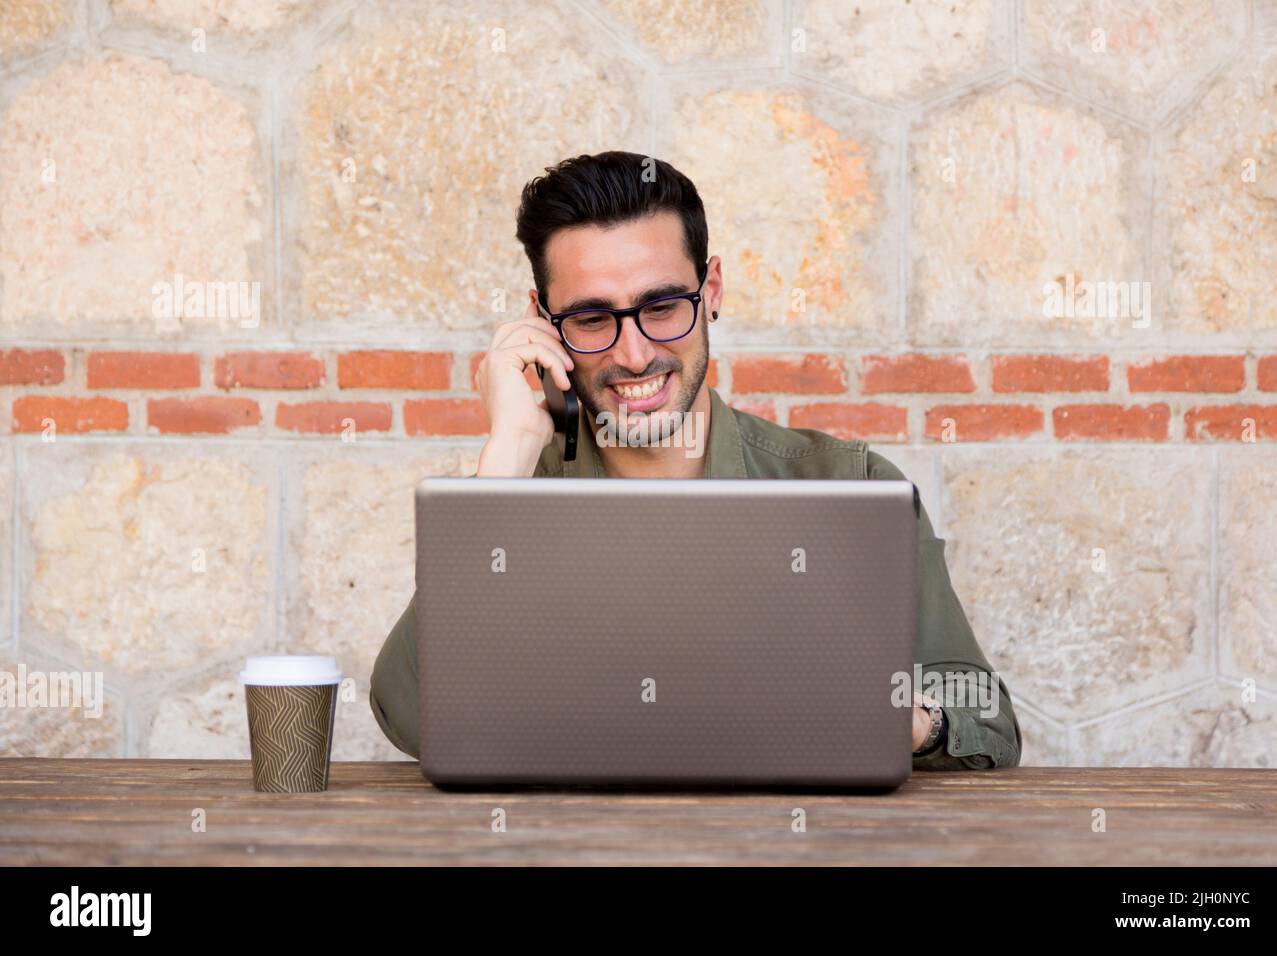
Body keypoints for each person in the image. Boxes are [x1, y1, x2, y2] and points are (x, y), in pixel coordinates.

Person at [370, 151, 1022, 771]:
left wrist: (906, 720)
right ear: (543, 323)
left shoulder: (850, 483)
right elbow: (409, 712)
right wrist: (509, 453)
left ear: (710, 291)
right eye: (593, 318)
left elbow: (985, 717)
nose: (633, 354)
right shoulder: (510, 496)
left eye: (661, 308)